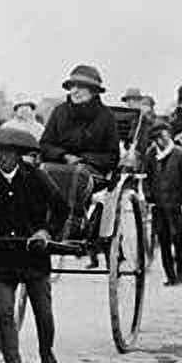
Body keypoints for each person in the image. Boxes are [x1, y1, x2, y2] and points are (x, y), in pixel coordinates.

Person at [0, 127, 69, 363]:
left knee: (42, 310)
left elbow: (61, 207)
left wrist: (46, 231)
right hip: (2, 257)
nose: (0, 157)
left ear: (18, 154)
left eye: (6, 153)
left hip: (34, 255)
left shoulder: (36, 177)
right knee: (3, 313)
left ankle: (46, 352)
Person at [39, 64, 120, 243]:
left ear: (93, 91)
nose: (74, 91)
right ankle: (44, 223)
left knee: (77, 174)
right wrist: (63, 156)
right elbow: (45, 144)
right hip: (59, 164)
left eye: (80, 87)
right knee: (41, 172)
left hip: (92, 170)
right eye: (72, 86)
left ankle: (73, 223)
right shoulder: (59, 112)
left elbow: (112, 156)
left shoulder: (106, 117)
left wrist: (83, 160)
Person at [146, 121, 182, 286]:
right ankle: (170, 276)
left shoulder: (180, 154)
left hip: (177, 204)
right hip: (159, 205)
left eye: (164, 137)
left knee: (178, 239)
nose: (161, 141)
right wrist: (149, 197)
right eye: (158, 138)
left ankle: (180, 273)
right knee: (164, 240)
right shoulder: (151, 154)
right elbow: (146, 177)